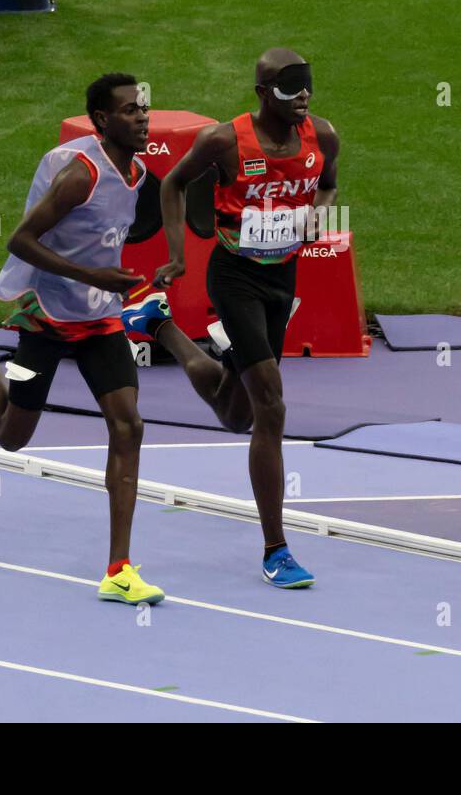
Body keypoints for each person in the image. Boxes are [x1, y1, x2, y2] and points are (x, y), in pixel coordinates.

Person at [0, 73, 164, 606]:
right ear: (103, 120)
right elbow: (21, 240)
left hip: (99, 320)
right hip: (43, 318)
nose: (142, 117)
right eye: (129, 111)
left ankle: (119, 568)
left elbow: (109, 239)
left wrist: (126, 278)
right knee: (12, 436)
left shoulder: (139, 171)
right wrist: (94, 276)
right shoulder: (80, 176)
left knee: (129, 426)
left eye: (143, 109)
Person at [121, 48, 340, 588]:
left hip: (281, 278)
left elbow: (329, 182)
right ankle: (276, 549)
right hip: (234, 277)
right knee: (271, 401)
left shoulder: (323, 137)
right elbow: (172, 184)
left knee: (237, 413)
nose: (304, 99)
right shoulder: (224, 141)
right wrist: (175, 255)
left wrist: (316, 213)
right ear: (264, 93)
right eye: (292, 91)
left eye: (308, 88)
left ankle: (160, 326)